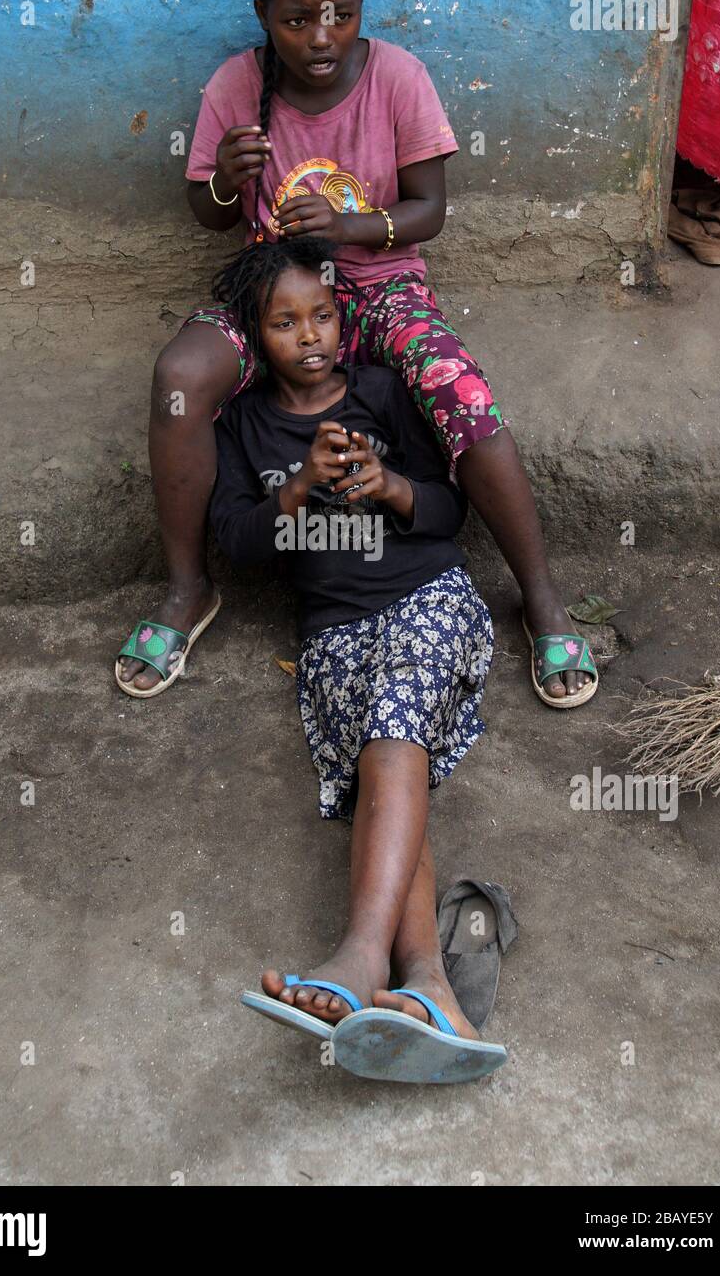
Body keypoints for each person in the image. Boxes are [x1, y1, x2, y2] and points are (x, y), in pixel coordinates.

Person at [115, 0, 597, 712]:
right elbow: (206, 210)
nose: (320, 35)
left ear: (361, 7)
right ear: (265, 15)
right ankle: (188, 589)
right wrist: (227, 182)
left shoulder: (398, 77)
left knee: (461, 393)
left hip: (382, 282)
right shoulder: (237, 84)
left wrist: (349, 229)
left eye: (340, 14)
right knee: (178, 375)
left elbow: (428, 209)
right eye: (297, 19)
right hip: (273, 289)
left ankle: (541, 597)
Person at [207, 235, 507, 1082]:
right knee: (383, 773)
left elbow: (449, 511)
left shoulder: (379, 391)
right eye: (283, 323)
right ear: (254, 337)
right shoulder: (245, 425)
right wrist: (298, 487)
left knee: (397, 718)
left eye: (323, 315)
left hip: (427, 600)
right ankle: (431, 989)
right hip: (335, 631)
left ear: (345, 320)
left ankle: (359, 957)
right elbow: (237, 542)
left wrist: (393, 486)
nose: (309, 336)